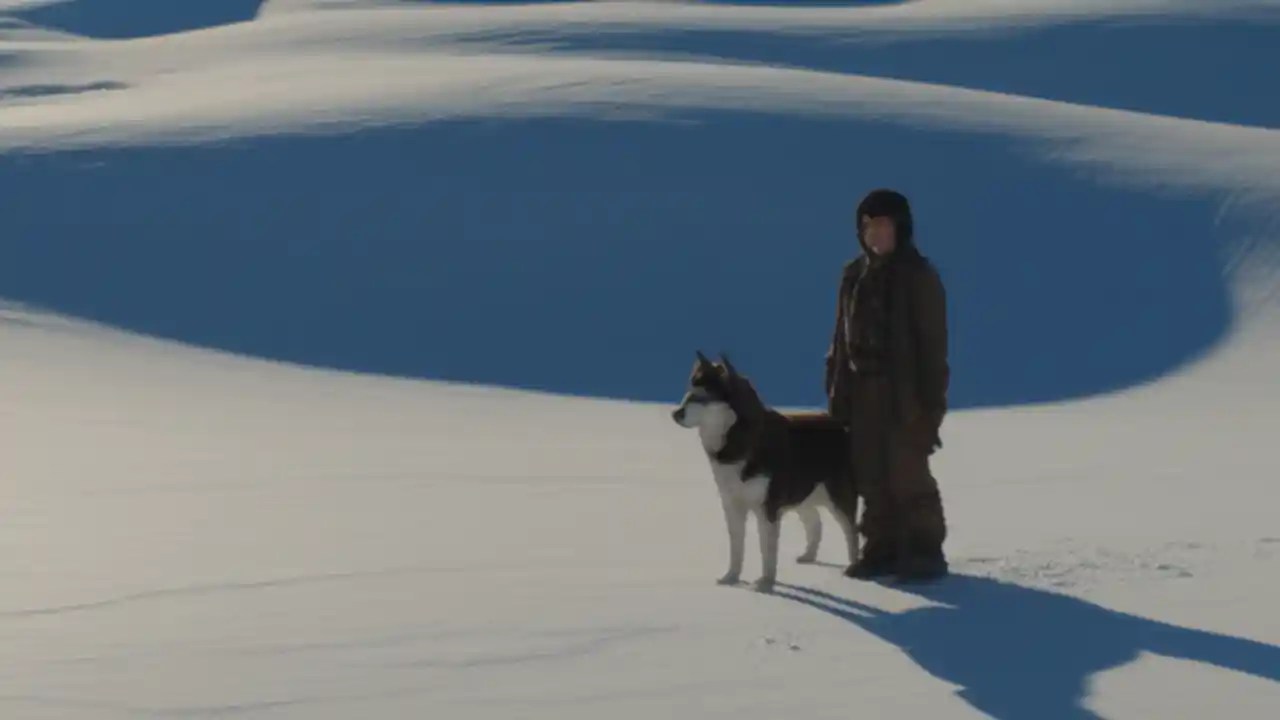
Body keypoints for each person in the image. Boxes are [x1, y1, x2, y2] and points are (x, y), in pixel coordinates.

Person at [825, 188, 950, 582]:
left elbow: (933, 348)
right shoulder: (852, 275)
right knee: (870, 473)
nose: (874, 235)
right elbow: (839, 339)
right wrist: (836, 387)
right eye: (867, 227)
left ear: (901, 228)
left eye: (882, 225)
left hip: (905, 393)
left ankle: (924, 551)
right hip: (862, 391)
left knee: (907, 471)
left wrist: (930, 407)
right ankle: (881, 548)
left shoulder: (919, 277)